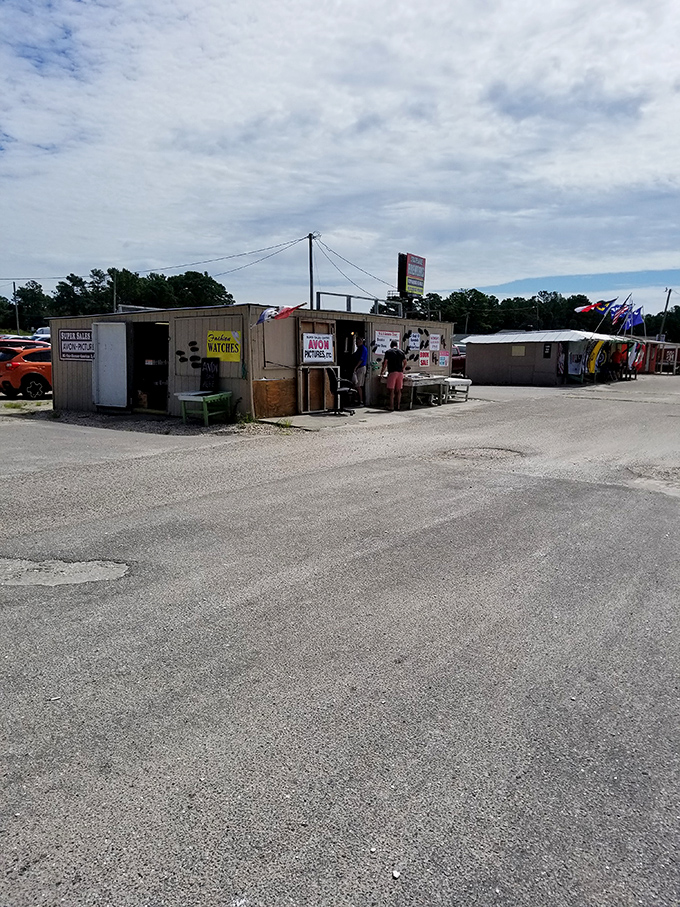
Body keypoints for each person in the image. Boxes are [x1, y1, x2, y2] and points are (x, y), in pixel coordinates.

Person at [379, 340, 407, 411]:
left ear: (391, 345)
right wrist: (403, 369)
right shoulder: (401, 352)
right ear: (397, 345)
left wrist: (382, 372)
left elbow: (385, 363)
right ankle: (398, 406)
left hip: (392, 373)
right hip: (400, 373)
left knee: (391, 391)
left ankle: (391, 406)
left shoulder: (388, 352)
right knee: (399, 390)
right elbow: (405, 362)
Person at [351, 337, 369, 405]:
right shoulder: (358, 349)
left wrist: (356, 367)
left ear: (361, 341)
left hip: (361, 368)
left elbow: (361, 359)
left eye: (358, 342)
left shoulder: (363, 349)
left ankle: (361, 401)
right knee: (354, 385)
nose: (357, 343)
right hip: (357, 368)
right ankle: (355, 400)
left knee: (358, 385)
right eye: (356, 342)